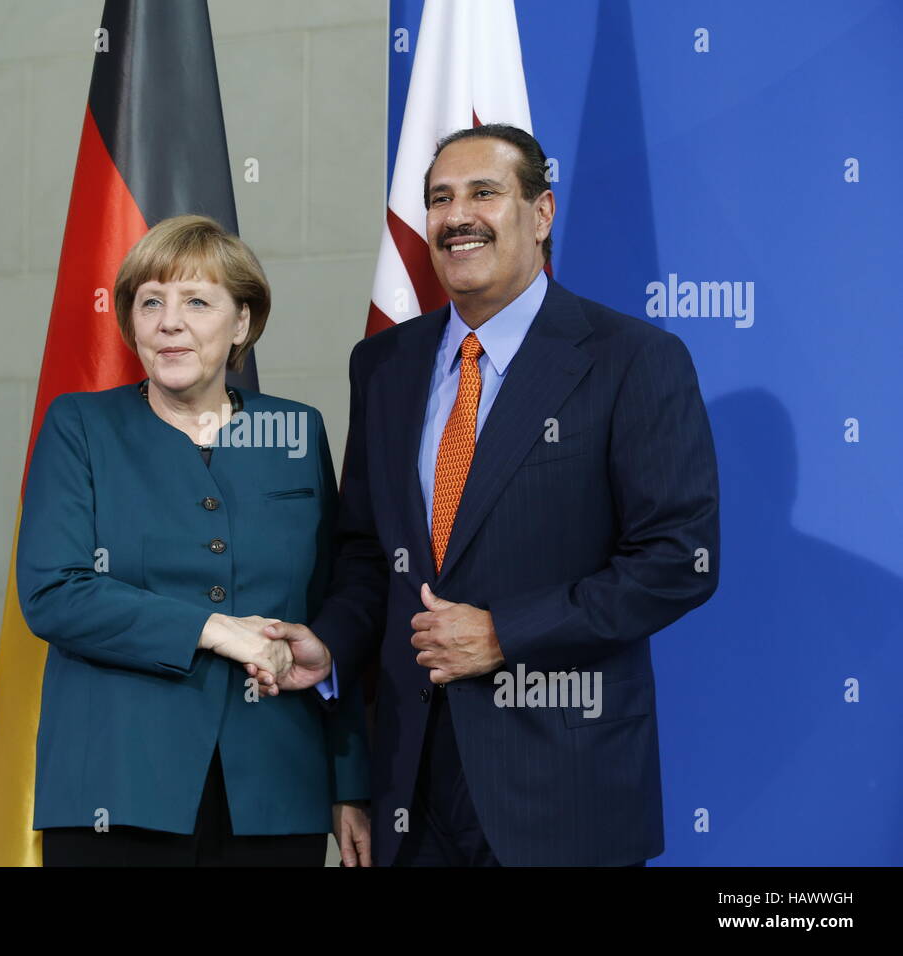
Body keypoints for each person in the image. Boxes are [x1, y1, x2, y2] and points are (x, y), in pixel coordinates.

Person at [256, 125, 720, 867]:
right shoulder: (384, 365)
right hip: (408, 785)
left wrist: (506, 631)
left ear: (541, 214)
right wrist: (330, 640)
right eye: (439, 198)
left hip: (562, 789)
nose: (456, 216)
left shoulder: (633, 360)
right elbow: (368, 553)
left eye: (483, 193)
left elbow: (676, 560)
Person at [16, 214, 370, 866]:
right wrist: (217, 629)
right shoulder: (80, 426)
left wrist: (351, 784)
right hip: (118, 788)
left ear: (241, 324)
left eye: (196, 302)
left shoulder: (297, 432)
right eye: (150, 302)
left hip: (276, 788)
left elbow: (331, 607)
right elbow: (53, 592)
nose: (168, 322)